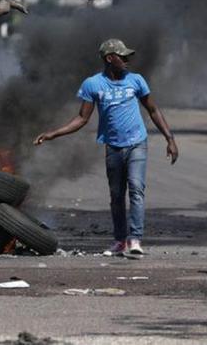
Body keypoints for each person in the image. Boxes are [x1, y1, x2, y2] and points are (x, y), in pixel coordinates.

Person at [34, 39, 179, 259]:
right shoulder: (93, 84)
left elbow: (153, 110)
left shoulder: (136, 81)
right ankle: (120, 241)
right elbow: (82, 118)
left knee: (136, 189)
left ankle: (135, 239)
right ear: (110, 58)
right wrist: (54, 133)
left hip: (137, 143)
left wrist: (170, 138)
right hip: (113, 147)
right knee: (116, 195)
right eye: (123, 57)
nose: (127, 61)